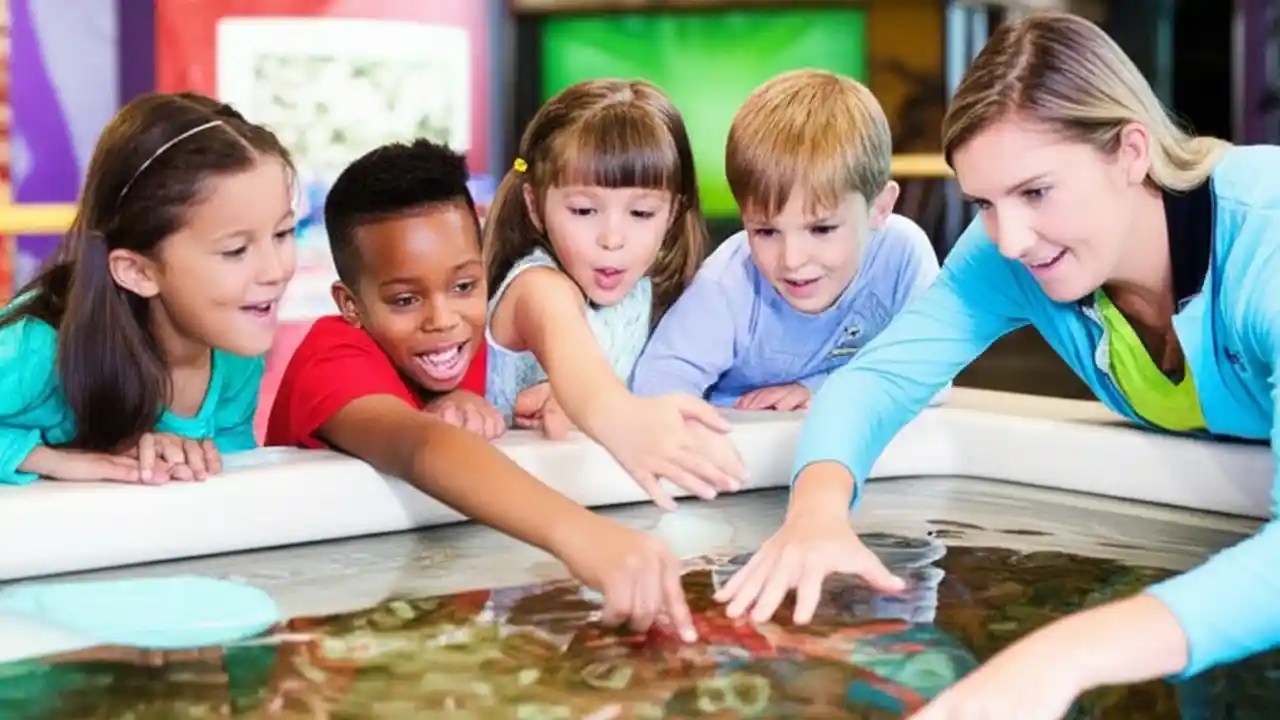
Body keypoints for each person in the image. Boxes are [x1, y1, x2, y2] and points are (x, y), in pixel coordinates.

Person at [715, 12, 1280, 718]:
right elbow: (879, 379)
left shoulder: (1267, 244)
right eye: (984, 202)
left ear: (1130, 151)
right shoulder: (1015, 252)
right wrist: (817, 515)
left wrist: (1059, 654)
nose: (1011, 238)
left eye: (1037, 191)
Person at [266, 138, 699, 642]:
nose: (444, 320)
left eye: (464, 287)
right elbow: (419, 446)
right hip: (334, 634)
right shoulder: (331, 355)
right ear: (351, 305)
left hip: (441, 622)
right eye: (405, 300)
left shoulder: (478, 348)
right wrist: (582, 534)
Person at [0, 92, 297, 486]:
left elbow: (229, 485)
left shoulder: (235, 353)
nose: (275, 270)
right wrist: (53, 460)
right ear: (137, 271)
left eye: (283, 233)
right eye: (236, 250)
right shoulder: (36, 351)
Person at [484, 78, 746, 511]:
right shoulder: (538, 288)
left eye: (642, 212)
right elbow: (590, 383)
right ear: (535, 205)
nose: (612, 238)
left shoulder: (654, 289)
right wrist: (611, 414)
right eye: (584, 211)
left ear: (673, 212)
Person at [631, 70, 943, 411]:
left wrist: (820, 389)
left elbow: (932, 373)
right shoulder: (728, 283)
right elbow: (658, 381)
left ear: (879, 208)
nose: (792, 260)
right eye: (766, 232)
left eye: (821, 229)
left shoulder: (902, 255)